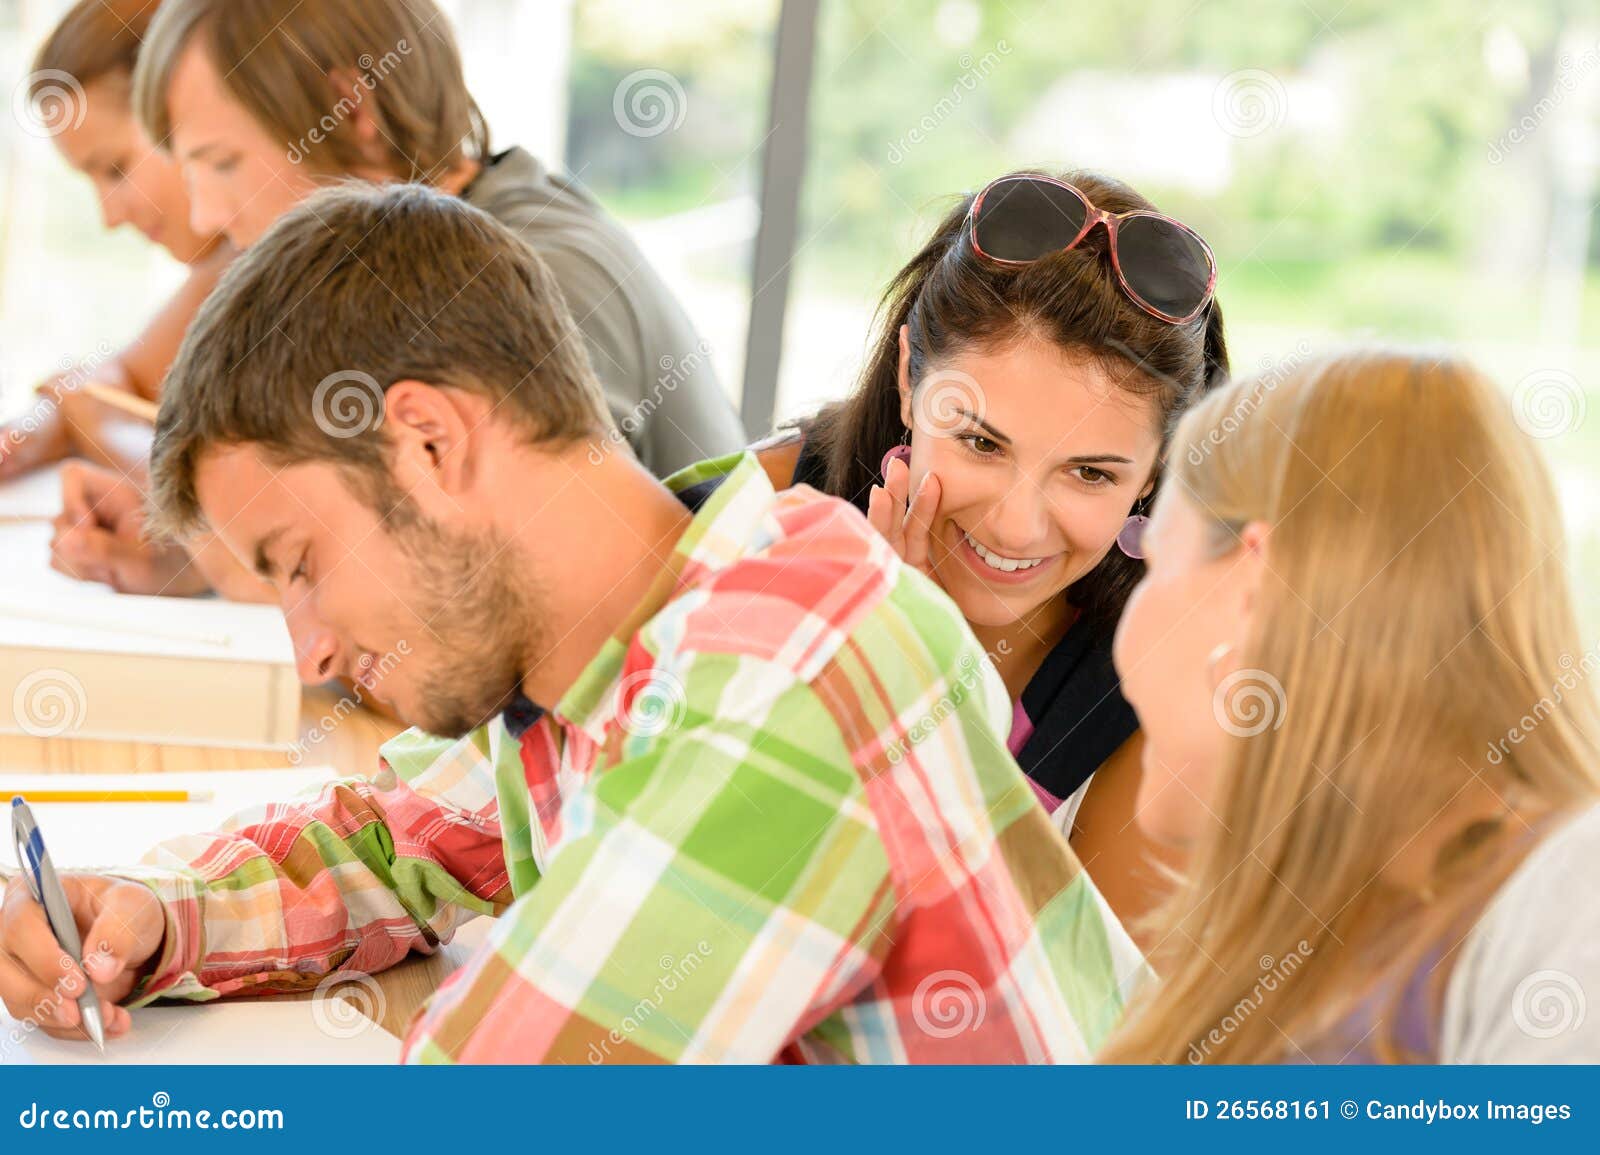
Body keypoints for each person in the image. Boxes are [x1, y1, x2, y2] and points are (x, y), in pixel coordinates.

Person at [0, 183, 1145, 1063]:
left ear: (431, 445)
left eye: (299, 565)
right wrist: (157, 914)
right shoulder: (617, 640)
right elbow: (395, 844)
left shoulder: (781, 673)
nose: (309, 649)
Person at [676, 170, 1229, 935]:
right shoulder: (756, 517)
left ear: (1158, 468)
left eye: (1091, 472)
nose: (1015, 526)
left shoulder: (1163, 661)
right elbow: (641, 866)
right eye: (979, 440)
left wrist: (909, 685)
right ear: (910, 381)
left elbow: (1065, 1015)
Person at [50, 0, 744, 598]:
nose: (203, 217)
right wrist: (196, 550)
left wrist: (231, 563)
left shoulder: (530, 278)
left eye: (223, 163)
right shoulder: (388, 274)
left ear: (354, 109)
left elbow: (497, 602)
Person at [1100, 349, 1600, 1063]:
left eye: (1151, 562)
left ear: (1251, 589)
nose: (1123, 633)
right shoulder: (1326, 947)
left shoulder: (1575, 896)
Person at [0, 0, 229, 486]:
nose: (109, 216)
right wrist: (33, 430)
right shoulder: (227, 264)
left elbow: (230, 513)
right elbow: (115, 378)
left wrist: (101, 424)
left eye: (116, 169)